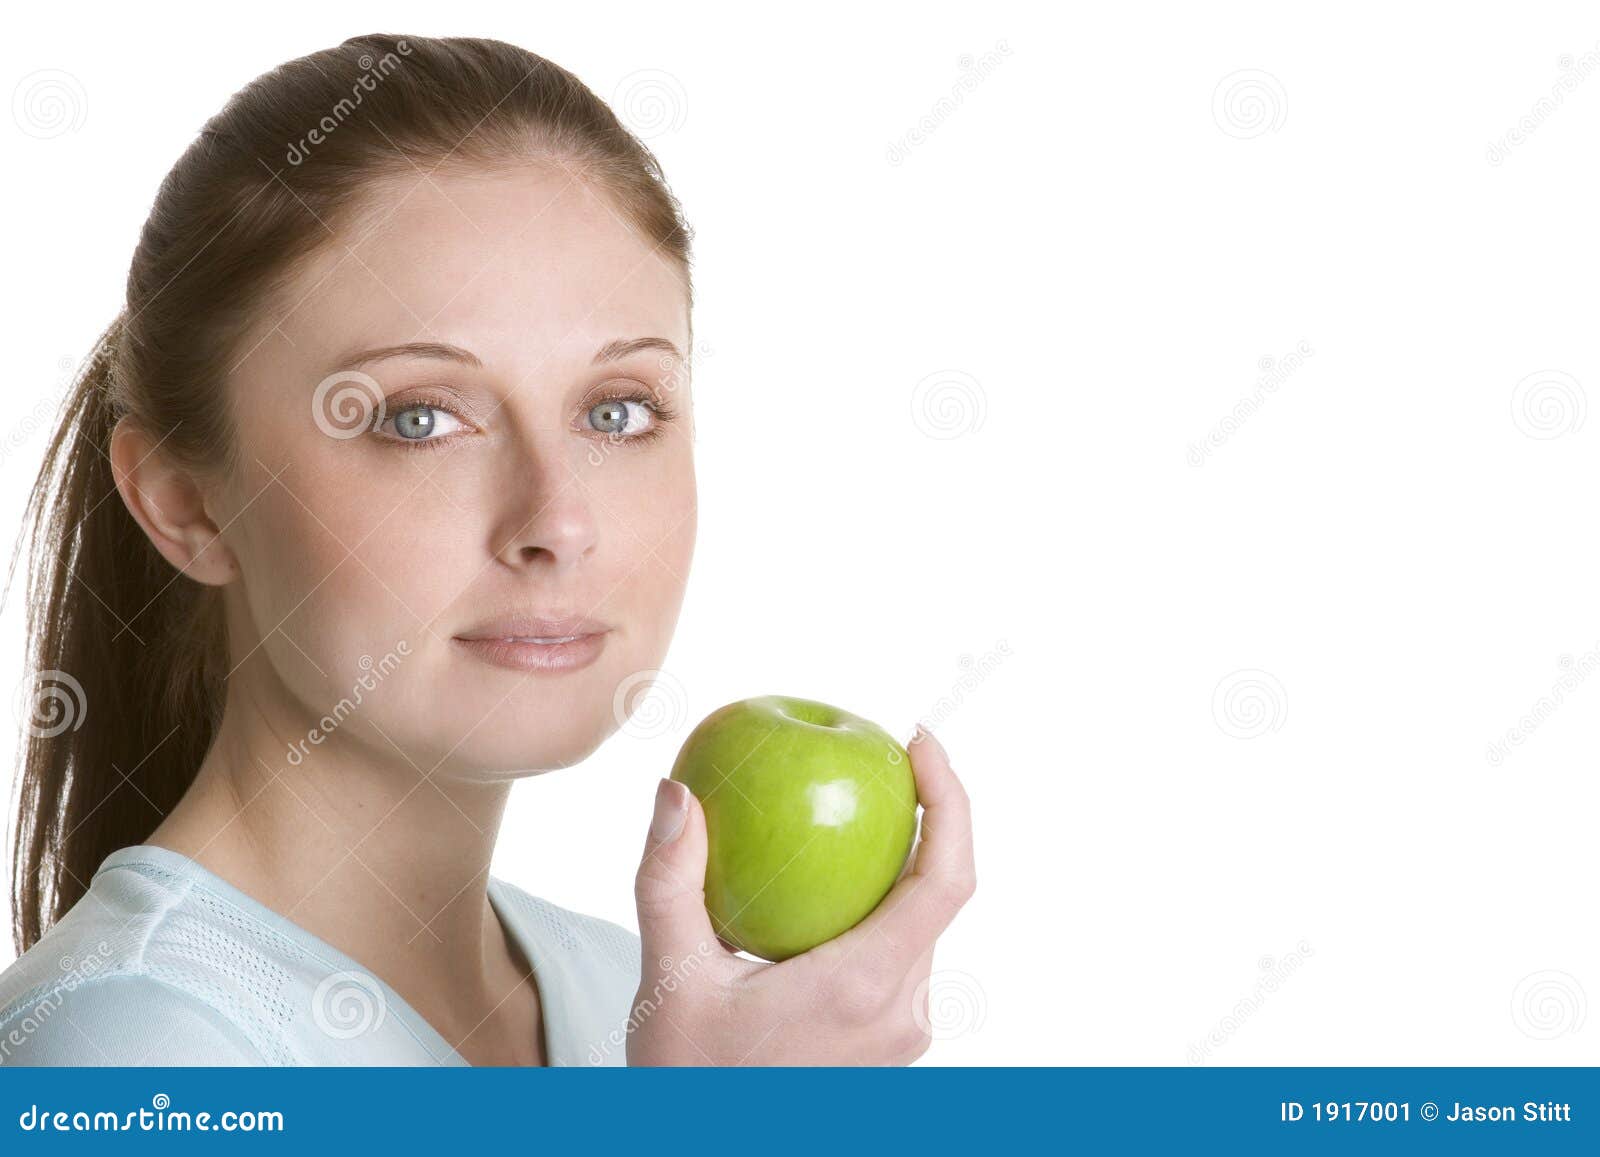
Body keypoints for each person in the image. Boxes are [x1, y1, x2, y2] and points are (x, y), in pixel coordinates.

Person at [0, 33, 975, 1067]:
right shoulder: (125, 1050)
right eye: (418, 420)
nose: (557, 520)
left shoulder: (641, 1003)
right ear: (185, 502)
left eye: (615, 410)